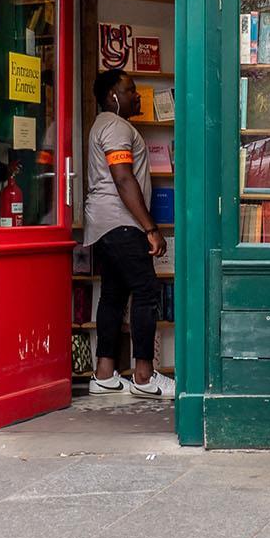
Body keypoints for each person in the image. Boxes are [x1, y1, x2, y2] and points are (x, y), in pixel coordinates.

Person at [84, 70, 174, 399]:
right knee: (147, 293)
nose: (137, 96)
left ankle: (105, 375)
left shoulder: (103, 125)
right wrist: (150, 228)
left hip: (103, 225)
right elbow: (123, 178)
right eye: (130, 90)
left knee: (113, 296)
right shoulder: (116, 126)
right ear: (112, 96)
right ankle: (145, 377)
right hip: (122, 223)